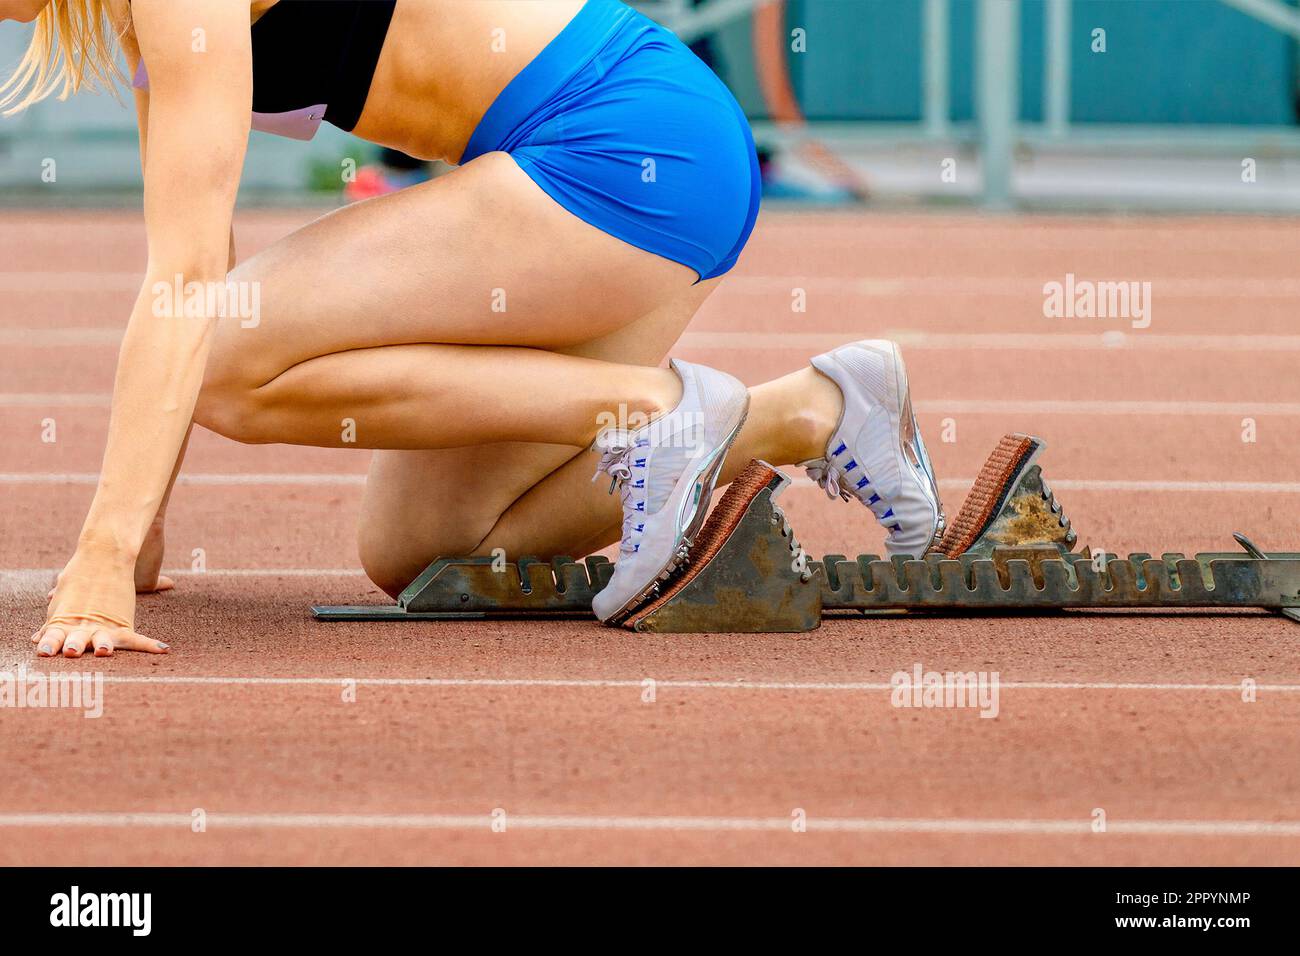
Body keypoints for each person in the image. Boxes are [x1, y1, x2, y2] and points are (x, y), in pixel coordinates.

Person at [4, 0, 942, 656]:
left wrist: (103, 559)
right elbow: (194, 244)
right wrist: (146, 528)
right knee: (431, 546)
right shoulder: (143, 21)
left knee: (220, 354)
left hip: (624, 143)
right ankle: (815, 409)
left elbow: (187, 288)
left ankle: (657, 410)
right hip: (626, 167)